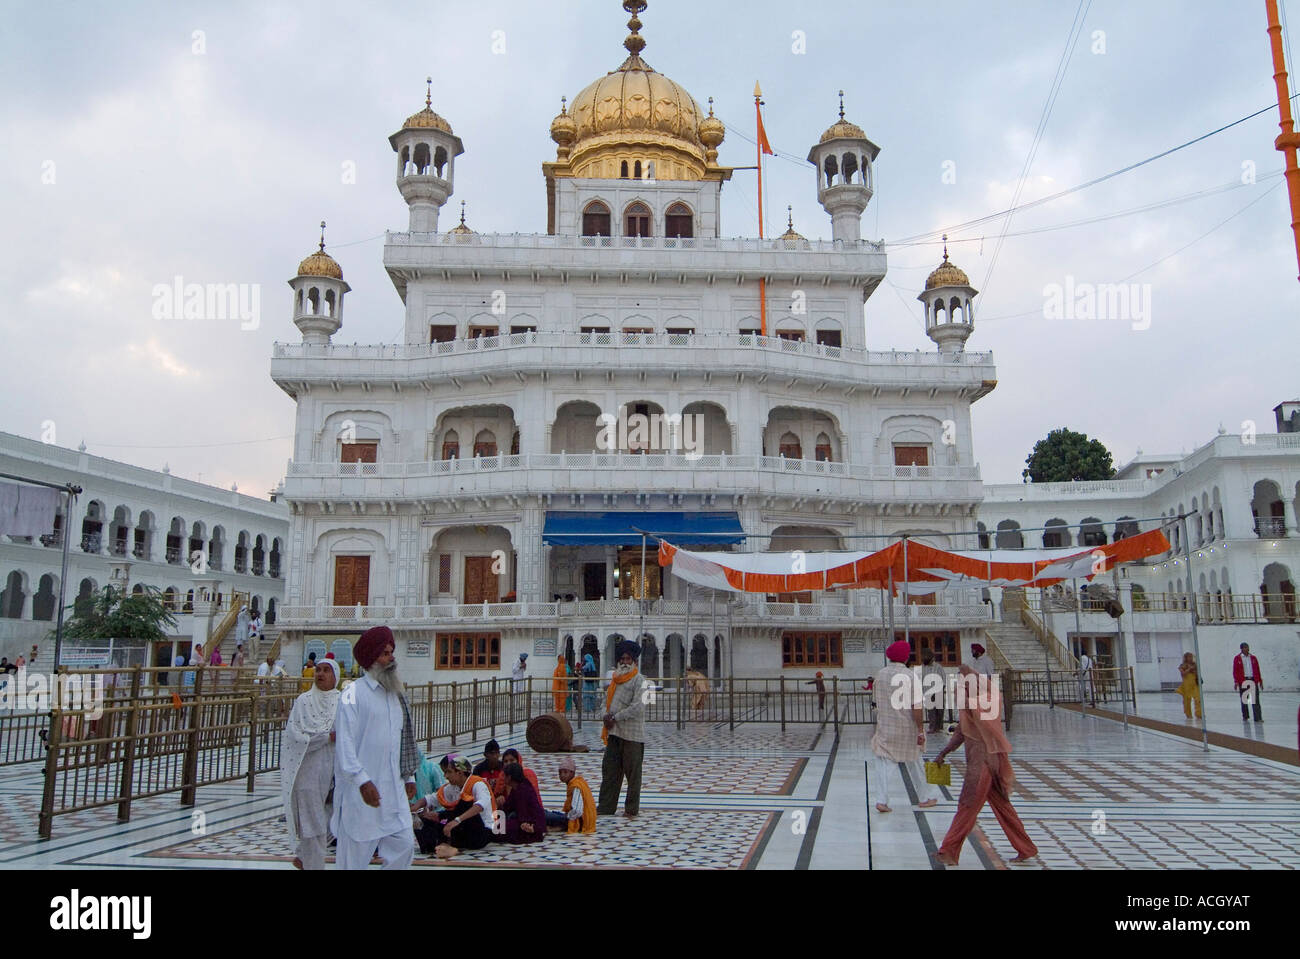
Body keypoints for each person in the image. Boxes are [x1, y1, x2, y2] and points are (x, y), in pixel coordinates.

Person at [331, 625, 419, 870]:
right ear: (371, 659)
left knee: (404, 845)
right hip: (361, 790)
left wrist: (409, 775)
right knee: (354, 857)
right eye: (384, 654)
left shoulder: (395, 695)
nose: (391, 659)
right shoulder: (352, 693)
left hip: (393, 788)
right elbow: (345, 743)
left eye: (392, 652)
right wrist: (362, 780)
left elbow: (402, 740)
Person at [933, 665, 1038, 866]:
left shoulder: (976, 706)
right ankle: (1026, 848)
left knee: (967, 805)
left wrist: (943, 753)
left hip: (980, 765)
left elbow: (960, 734)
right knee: (1003, 807)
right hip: (993, 762)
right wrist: (943, 752)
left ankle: (949, 850)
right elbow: (963, 732)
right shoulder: (985, 704)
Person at [281, 658, 341, 870]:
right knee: (313, 823)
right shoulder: (304, 701)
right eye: (318, 670)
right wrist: (326, 738)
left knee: (331, 821)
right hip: (305, 771)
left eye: (326, 670)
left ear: (336, 676)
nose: (320, 674)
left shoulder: (341, 702)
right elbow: (295, 735)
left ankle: (304, 857)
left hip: (332, 773)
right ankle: (312, 864)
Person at [870, 640, 940, 813]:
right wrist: (920, 729)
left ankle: (881, 800)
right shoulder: (910, 676)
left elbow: (875, 701)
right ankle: (924, 798)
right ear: (905, 657)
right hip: (907, 729)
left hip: (886, 727)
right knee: (916, 762)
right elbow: (917, 707)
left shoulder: (881, 674)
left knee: (884, 763)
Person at [597, 640, 647, 818]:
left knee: (633, 775)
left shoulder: (641, 680)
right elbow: (605, 702)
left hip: (632, 735)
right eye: (622, 659)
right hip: (614, 733)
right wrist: (605, 715)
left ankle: (631, 809)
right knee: (610, 771)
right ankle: (605, 807)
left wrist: (615, 718)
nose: (625, 662)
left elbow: (639, 706)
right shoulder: (615, 679)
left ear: (635, 662)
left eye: (628, 659)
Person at [411, 755, 495, 858]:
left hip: (481, 832)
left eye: (449, 772)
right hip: (462, 829)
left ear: (459, 773)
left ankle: (450, 846)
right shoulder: (452, 787)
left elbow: (480, 806)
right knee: (425, 820)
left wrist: (457, 820)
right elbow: (431, 799)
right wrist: (415, 807)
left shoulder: (478, 784)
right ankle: (434, 847)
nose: (446, 776)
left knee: (466, 803)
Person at [494, 762, 547, 844]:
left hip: (532, 822)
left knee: (502, 829)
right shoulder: (517, 788)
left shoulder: (522, 790)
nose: (503, 778)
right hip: (526, 819)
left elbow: (523, 812)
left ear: (510, 777)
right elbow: (508, 806)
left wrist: (524, 824)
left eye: (505, 776)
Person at [545, 756, 598, 834]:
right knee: (547, 813)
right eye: (560, 773)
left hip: (580, 820)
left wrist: (567, 818)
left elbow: (577, 811)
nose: (562, 775)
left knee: (544, 815)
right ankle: (559, 826)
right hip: (574, 817)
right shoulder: (574, 784)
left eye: (565, 772)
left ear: (572, 773)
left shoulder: (576, 786)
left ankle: (561, 826)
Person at [1233, 642, 1263, 722]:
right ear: (1241, 649)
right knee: (1244, 700)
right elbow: (1235, 671)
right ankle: (1245, 716)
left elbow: (1257, 669)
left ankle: (1258, 717)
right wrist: (1236, 681)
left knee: (1255, 699)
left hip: (1252, 679)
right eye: (1245, 647)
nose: (1247, 649)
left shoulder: (1253, 658)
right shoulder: (1237, 658)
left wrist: (1260, 680)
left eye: (1248, 647)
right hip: (1243, 680)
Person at [921, 651, 946, 734]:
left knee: (939, 710)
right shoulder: (923, 667)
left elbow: (943, 678)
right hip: (927, 692)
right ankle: (932, 727)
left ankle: (939, 727)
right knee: (930, 711)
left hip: (938, 691)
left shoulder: (938, 667)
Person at [1176, 652, 1201, 720]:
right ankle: (1188, 714)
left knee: (1198, 699)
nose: (1190, 658)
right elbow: (1183, 674)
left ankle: (1199, 714)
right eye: (1189, 657)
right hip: (1186, 685)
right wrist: (1189, 669)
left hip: (1195, 684)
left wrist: (1194, 670)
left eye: (1191, 657)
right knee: (1187, 700)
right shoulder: (1182, 666)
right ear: (1186, 658)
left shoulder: (1194, 665)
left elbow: (1197, 674)